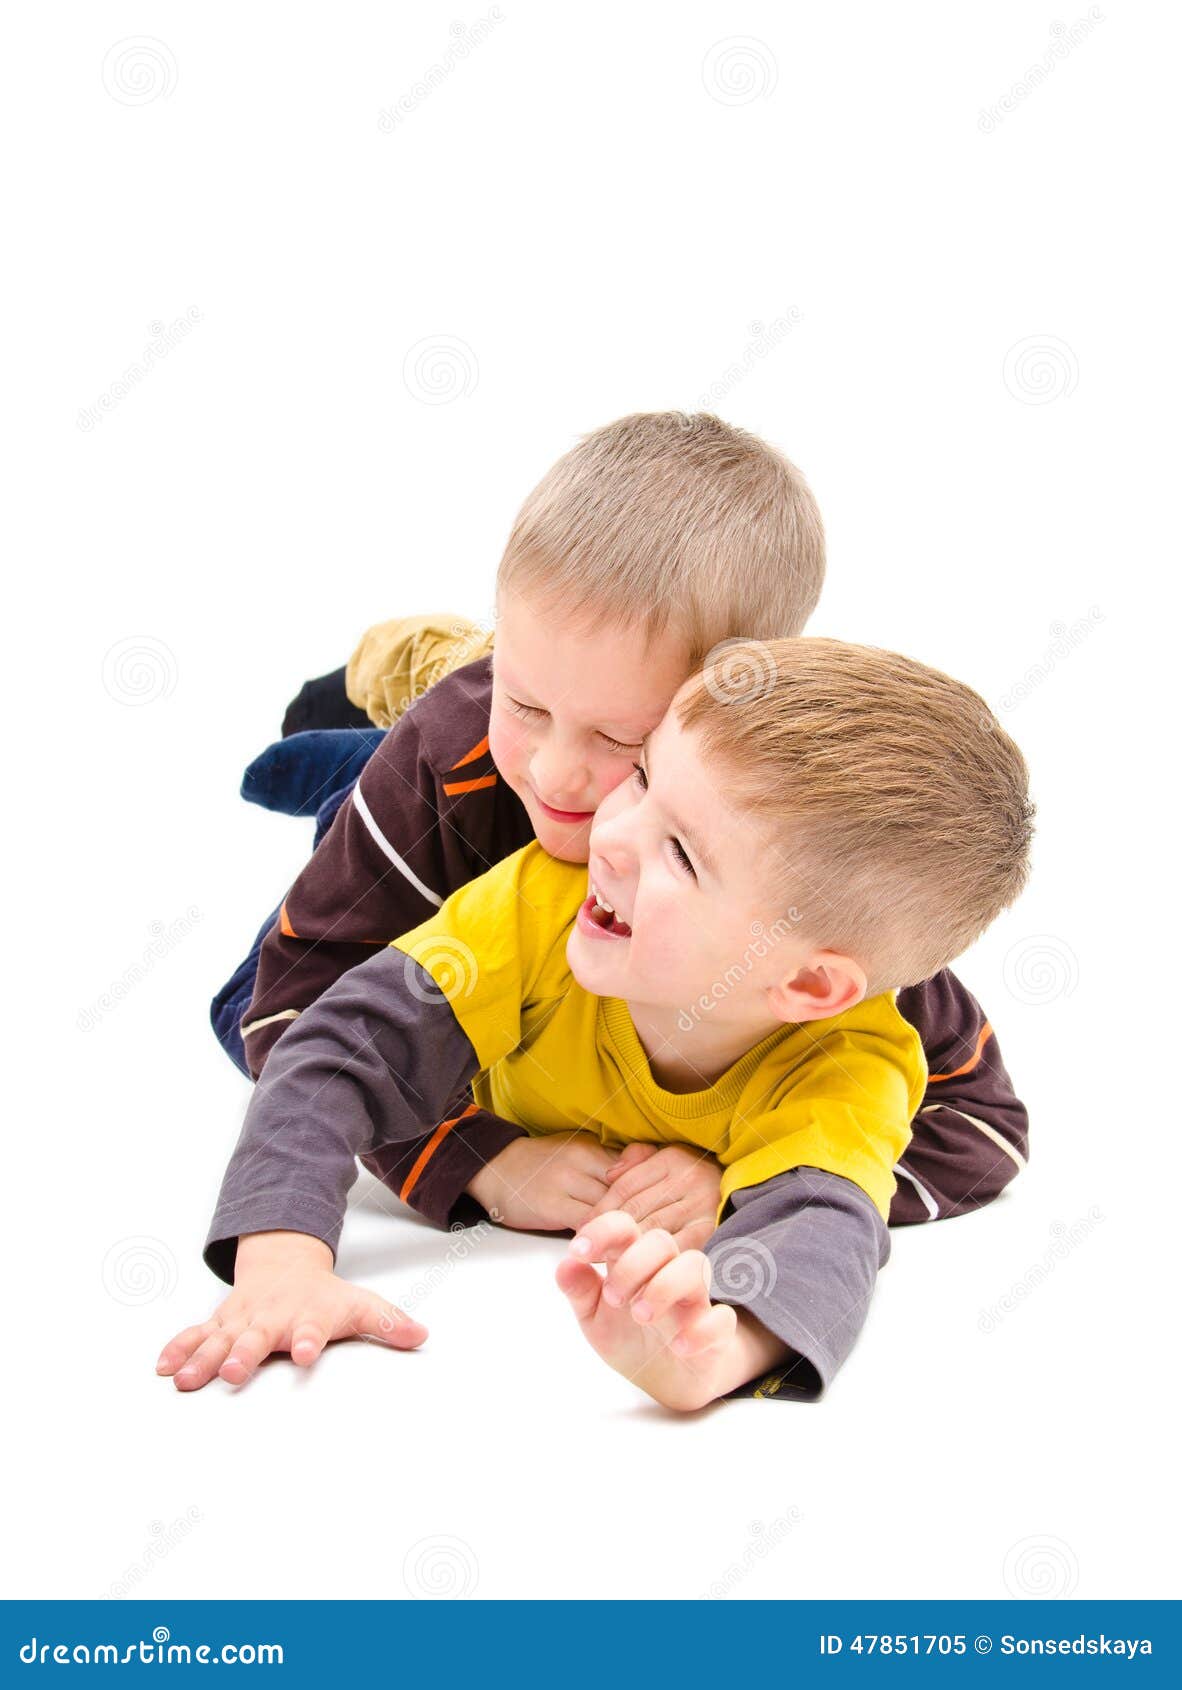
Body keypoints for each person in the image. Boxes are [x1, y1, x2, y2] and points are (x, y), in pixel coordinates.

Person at [210, 413, 1028, 1248]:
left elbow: (981, 1127)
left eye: (624, 744)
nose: (561, 774)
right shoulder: (454, 758)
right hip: (445, 755)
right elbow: (294, 1018)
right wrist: (477, 1158)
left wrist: (752, 1188)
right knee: (250, 988)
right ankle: (389, 691)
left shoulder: (793, 862)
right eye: (528, 705)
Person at [160, 637, 1033, 1408]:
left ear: (808, 983)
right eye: (646, 775)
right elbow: (334, 1049)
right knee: (363, 793)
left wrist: (719, 1346)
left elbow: (825, 1222)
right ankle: (393, 681)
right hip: (444, 785)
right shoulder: (542, 894)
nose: (610, 838)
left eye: (681, 853)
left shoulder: (849, 1065)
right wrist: (282, 1262)